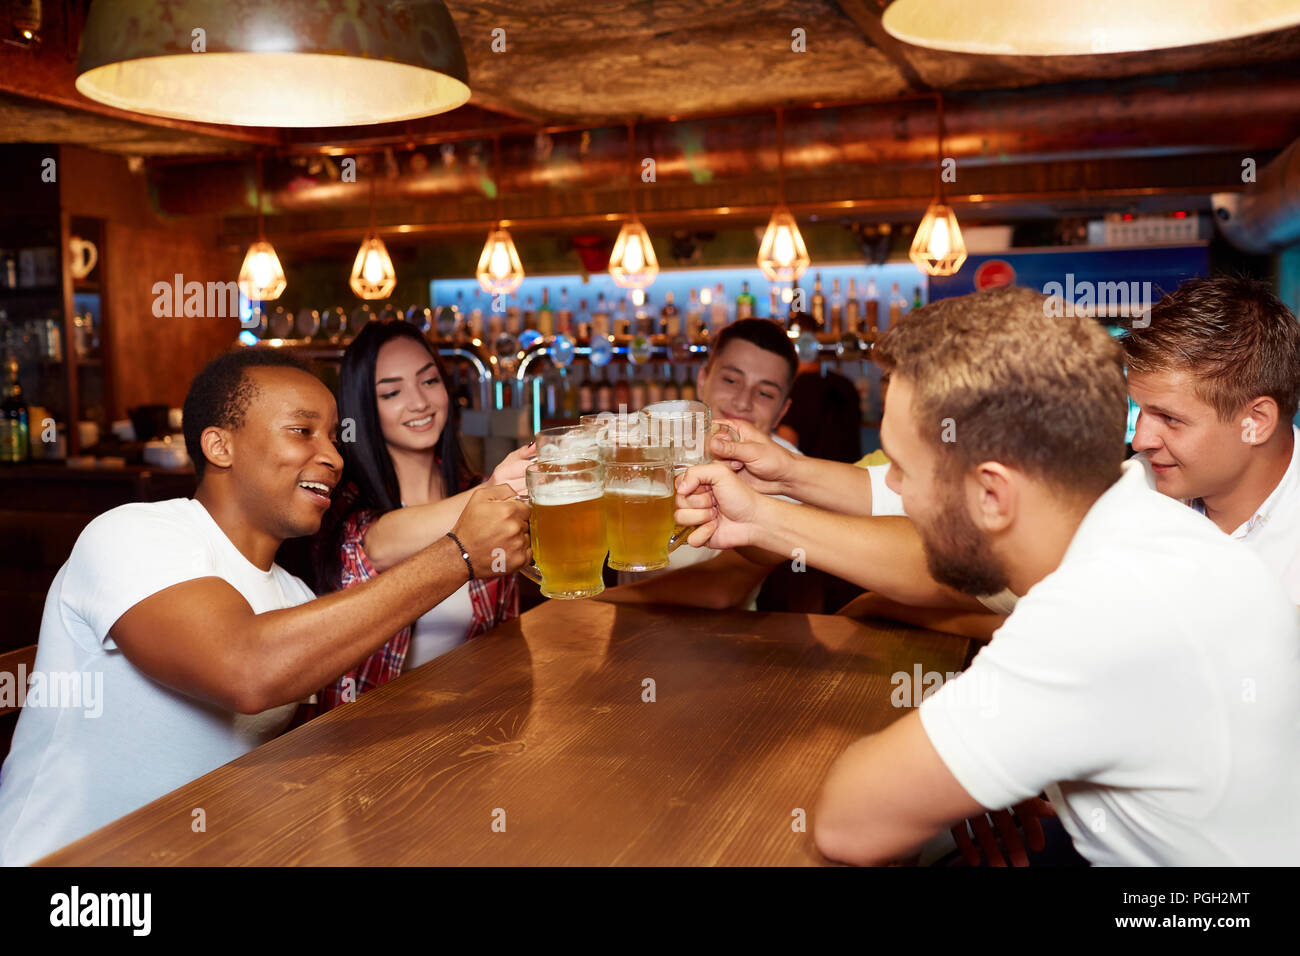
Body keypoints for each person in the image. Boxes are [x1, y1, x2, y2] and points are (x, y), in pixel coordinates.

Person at [678, 285, 1300, 865]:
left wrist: (984, 747)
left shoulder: (1095, 615)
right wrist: (767, 503)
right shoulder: (1136, 503)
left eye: (901, 465)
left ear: (993, 493)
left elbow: (848, 824)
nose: (893, 486)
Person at [0, 349, 530, 865]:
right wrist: (458, 554)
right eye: (302, 431)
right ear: (220, 446)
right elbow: (246, 669)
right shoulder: (134, 535)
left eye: (332, 435)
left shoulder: (294, 597)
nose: (333, 456)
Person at [300, 321, 535, 716]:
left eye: (429, 382)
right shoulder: (346, 508)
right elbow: (379, 543)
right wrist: (495, 489)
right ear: (364, 408)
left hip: (471, 728)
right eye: (392, 392)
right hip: (369, 741)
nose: (419, 402)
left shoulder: (479, 491)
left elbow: (507, 638)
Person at [596, 318, 801, 610]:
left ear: (782, 410)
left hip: (729, 646)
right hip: (624, 635)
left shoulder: (788, 472)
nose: (743, 401)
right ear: (703, 379)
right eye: (731, 380)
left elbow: (723, 588)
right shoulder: (647, 437)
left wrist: (595, 600)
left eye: (765, 393)